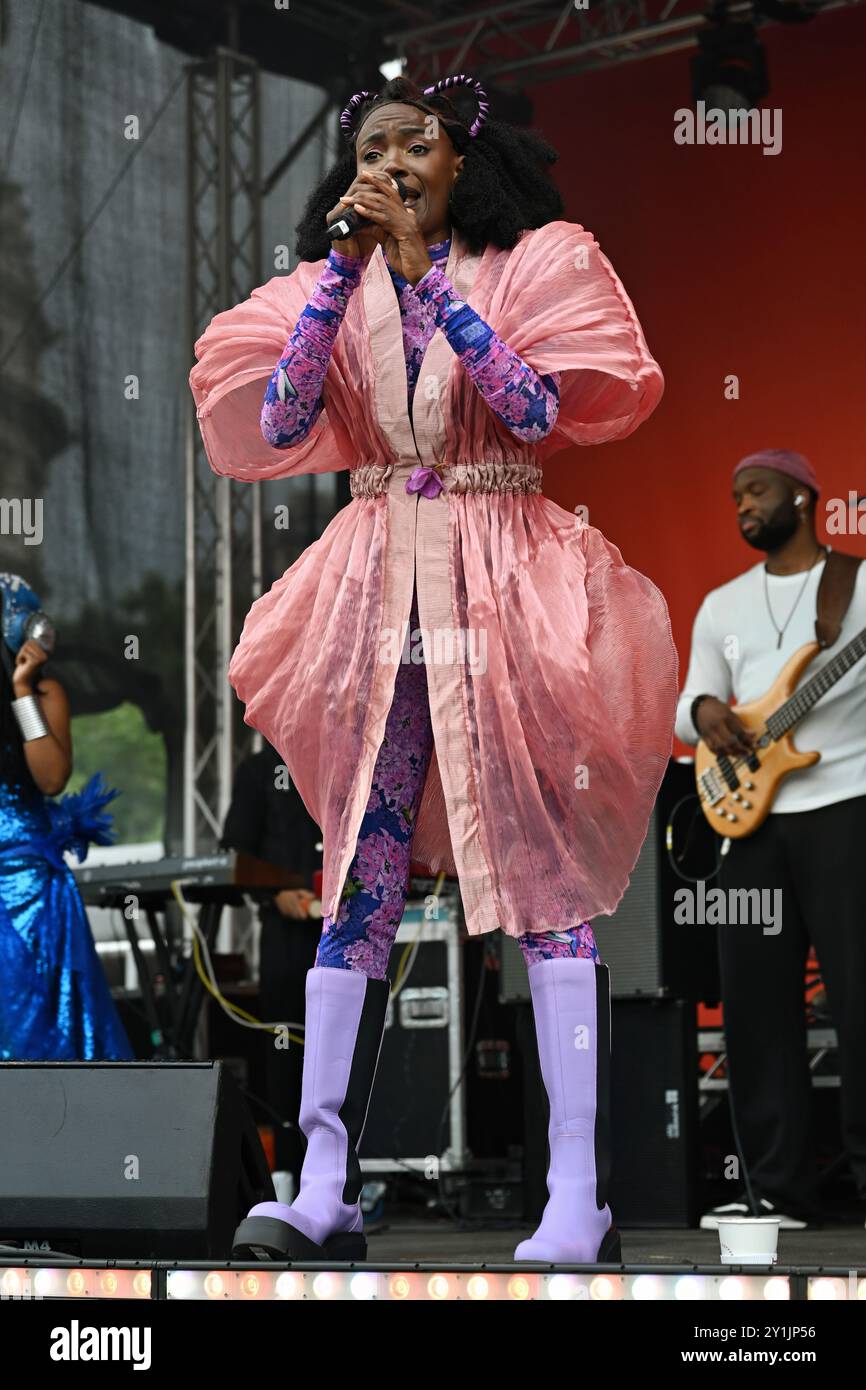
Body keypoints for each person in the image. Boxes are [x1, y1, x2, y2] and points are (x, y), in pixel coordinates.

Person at [190, 74, 677, 1263]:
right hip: (376, 599)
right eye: (371, 146)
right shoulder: (326, 289)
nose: (391, 160)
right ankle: (320, 1183)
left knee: (540, 880)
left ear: (465, 162)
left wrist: (428, 283)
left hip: (501, 586)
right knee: (358, 874)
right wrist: (347, 284)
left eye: (416, 143)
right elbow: (288, 417)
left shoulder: (529, 263)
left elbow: (535, 408)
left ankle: (576, 1194)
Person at [675, 450, 866, 1229]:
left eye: (755, 490)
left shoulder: (855, 586)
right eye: (734, 496)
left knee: (859, 1002)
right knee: (756, 1011)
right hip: (748, 825)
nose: (743, 505)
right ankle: (779, 1192)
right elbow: (687, 704)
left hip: (846, 806)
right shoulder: (722, 606)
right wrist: (707, 715)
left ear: (802, 495)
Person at [0, 572, 133, 1061]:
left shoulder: (43, 694)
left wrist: (20, 692)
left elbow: (51, 778)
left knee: (38, 1034)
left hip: (29, 885)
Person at [220, 738, 322, 1189]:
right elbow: (236, 855)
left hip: (351, 930)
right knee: (286, 1048)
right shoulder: (261, 770)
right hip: (286, 935)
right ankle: (285, 1178)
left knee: (347, 1050)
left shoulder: (351, 758)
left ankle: (349, 1175)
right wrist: (277, 891)